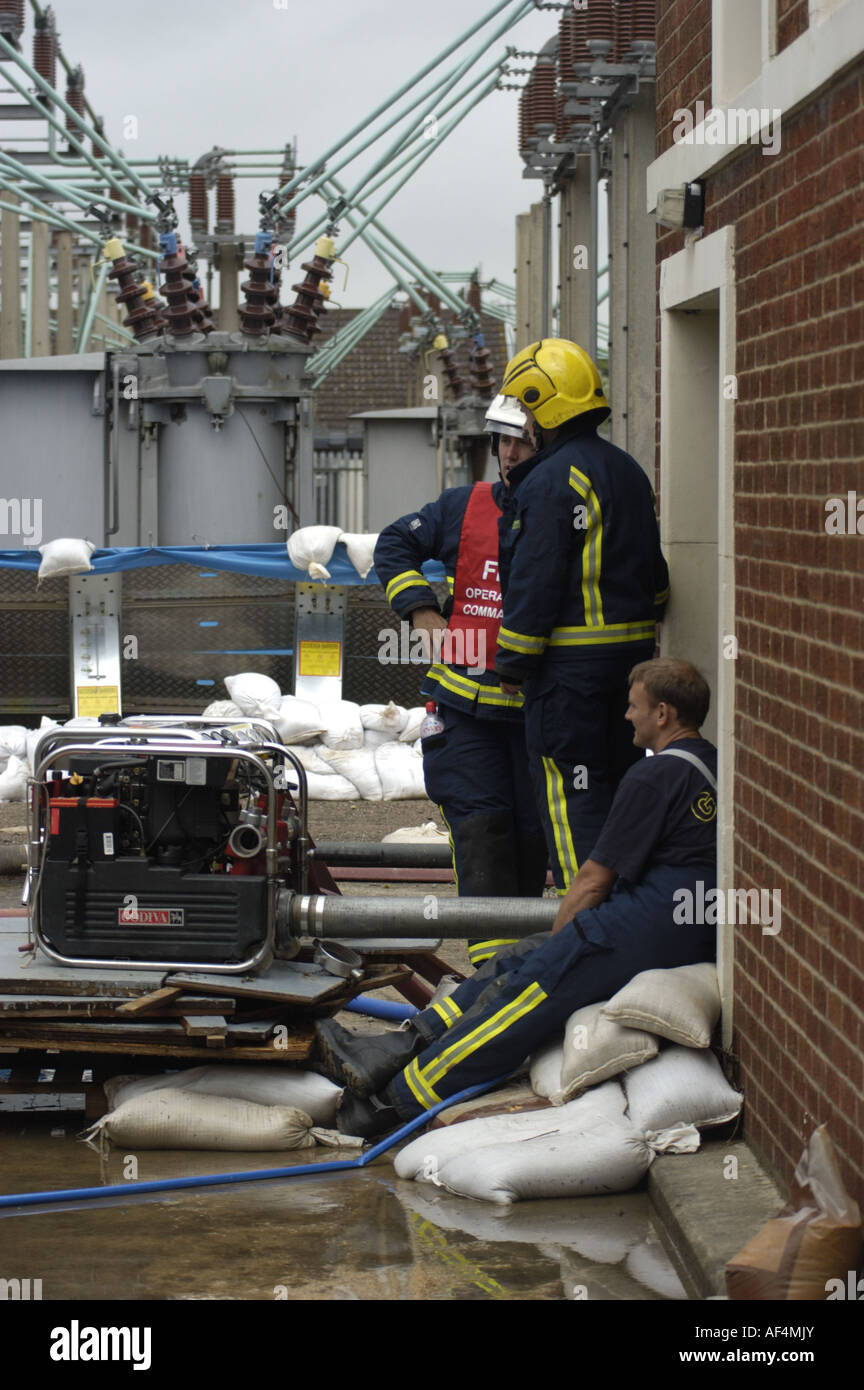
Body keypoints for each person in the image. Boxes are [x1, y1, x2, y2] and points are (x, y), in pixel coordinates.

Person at [315, 658, 717, 1138]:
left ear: (664, 713)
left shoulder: (653, 776)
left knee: (519, 1002)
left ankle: (388, 1104)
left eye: (634, 707)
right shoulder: (708, 764)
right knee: (518, 957)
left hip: (639, 930)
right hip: (671, 925)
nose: (626, 716)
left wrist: (559, 950)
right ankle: (394, 1048)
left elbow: (592, 881)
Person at [372, 395, 549, 967]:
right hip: (463, 715)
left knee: (530, 838)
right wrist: (422, 612)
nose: (507, 451)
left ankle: (521, 964)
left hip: (537, 716)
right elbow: (393, 544)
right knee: (482, 830)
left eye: (521, 439)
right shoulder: (464, 505)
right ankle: (491, 972)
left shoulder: (569, 512)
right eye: (501, 439)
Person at [492, 338, 671, 894]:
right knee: (620, 792)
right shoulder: (627, 470)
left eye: (523, 411)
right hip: (631, 671)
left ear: (541, 406)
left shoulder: (549, 481)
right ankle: (625, 913)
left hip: (569, 680)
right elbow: (657, 582)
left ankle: (585, 928)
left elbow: (536, 578)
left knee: (572, 802)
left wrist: (512, 662)